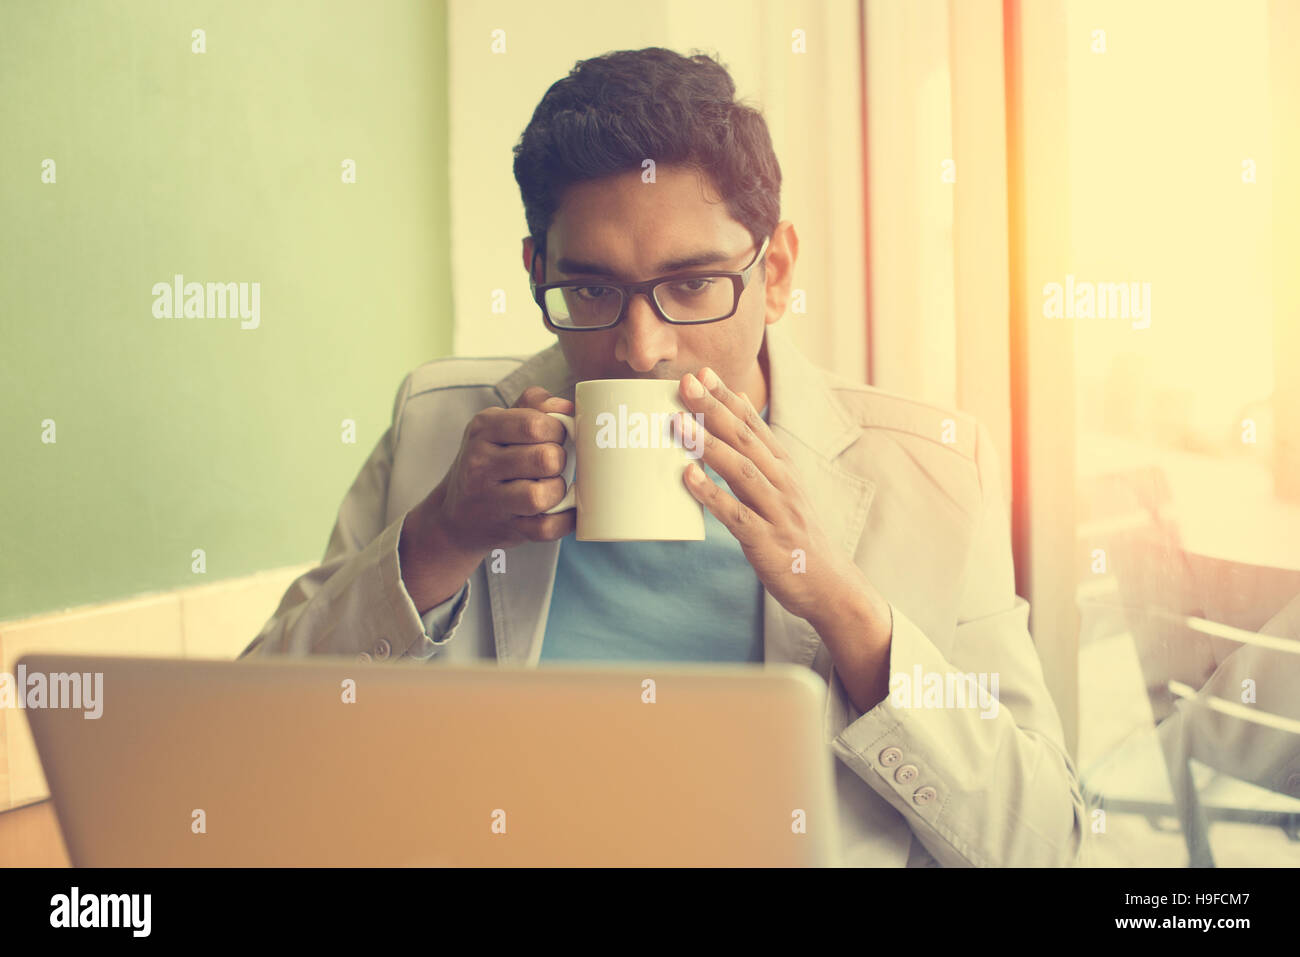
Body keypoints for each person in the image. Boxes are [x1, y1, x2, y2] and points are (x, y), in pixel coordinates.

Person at [241, 47, 1085, 866]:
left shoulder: (925, 473)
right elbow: (254, 748)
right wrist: (438, 539)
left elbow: (1043, 841)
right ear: (538, 274)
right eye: (592, 290)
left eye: (691, 285)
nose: (640, 348)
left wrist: (846, 608)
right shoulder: (440, 432)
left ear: (777, 271)